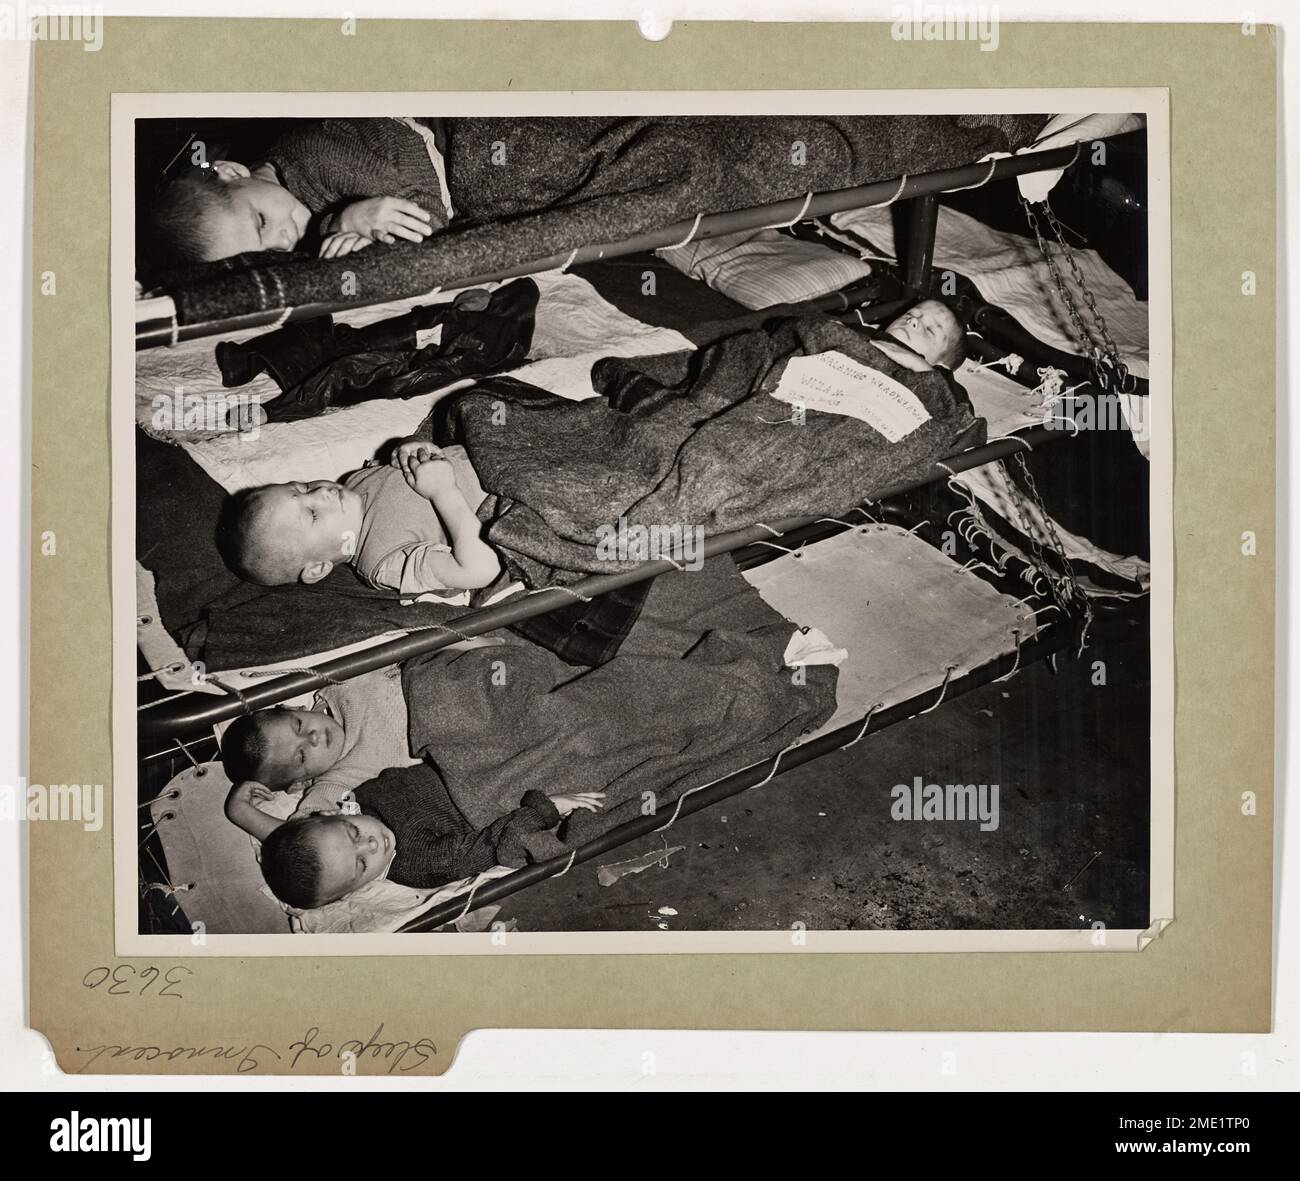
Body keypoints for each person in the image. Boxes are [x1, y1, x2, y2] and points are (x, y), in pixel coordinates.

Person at [225, 763, 604, 909]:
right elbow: (489, 847)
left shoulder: (351, 803)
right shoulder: (414, 863)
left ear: (331, 814)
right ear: (356, 890)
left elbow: (305, 836)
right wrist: (544, 809)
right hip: (495, 785)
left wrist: (244, 813)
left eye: (354, 833)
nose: (371, 845)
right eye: (361, 864)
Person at [215, 441, 499, 603]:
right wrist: (444, 491)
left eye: (302, 487)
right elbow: (480, 570)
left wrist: (409, 449)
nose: (322, 493)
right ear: (318, 568)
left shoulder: (354, 482)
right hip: (509, 493)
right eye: (313, 514)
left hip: (490, 449)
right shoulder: (385, 561)